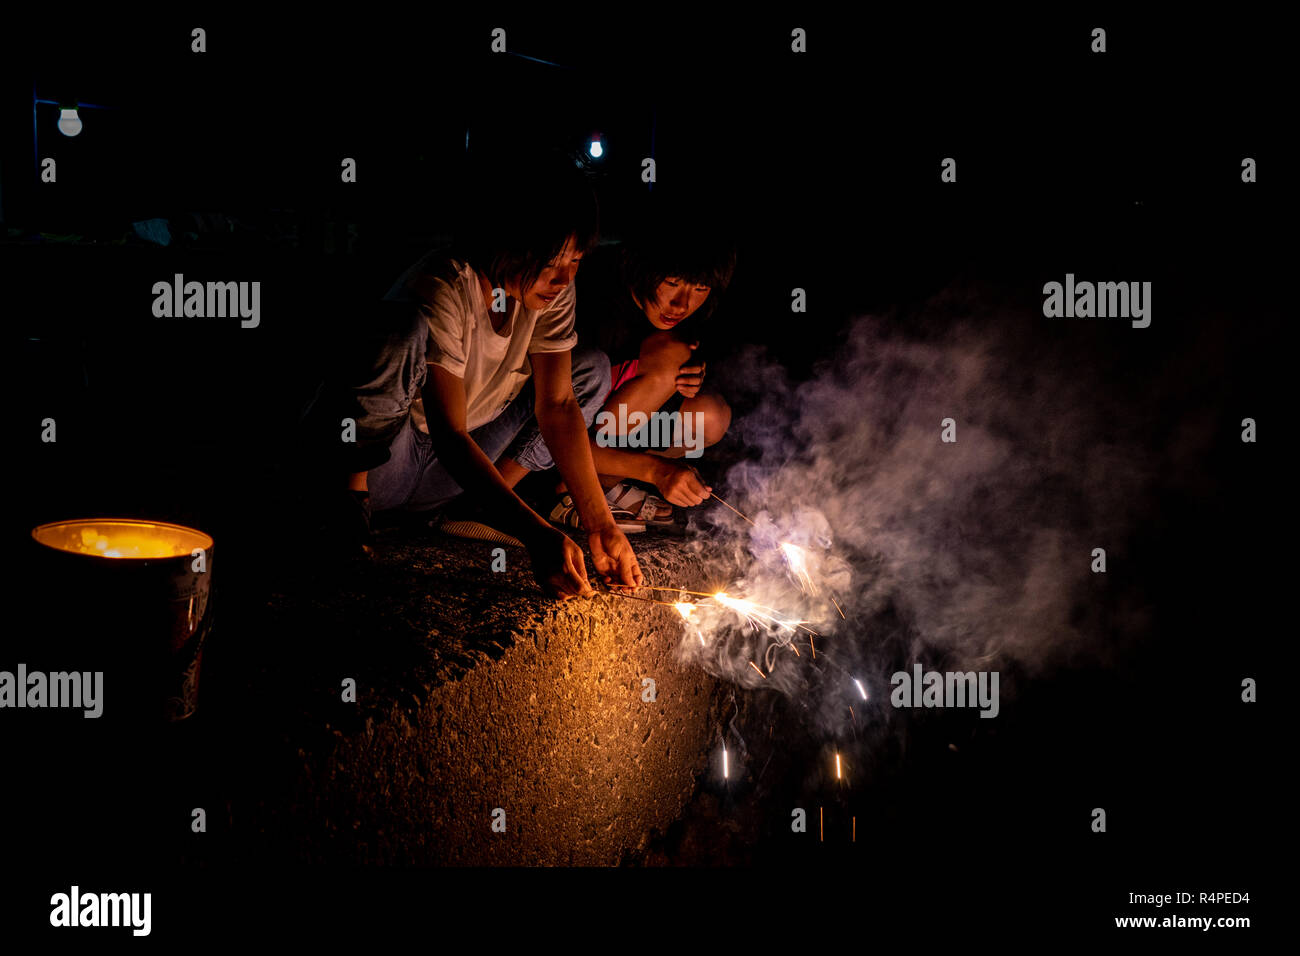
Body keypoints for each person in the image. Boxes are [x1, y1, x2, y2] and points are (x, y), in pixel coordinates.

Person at [323, 154, 642, 598]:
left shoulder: (552, 289)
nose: (564, 278)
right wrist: (535, 535)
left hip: (449, 474)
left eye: (576, 260)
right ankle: (345, 505)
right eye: (552, 260)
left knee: (589, 369)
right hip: (388, 466)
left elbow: (557, 404)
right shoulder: (446, 285)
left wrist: (601, 525)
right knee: (401, 330)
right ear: (510, 242)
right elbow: (448, 434)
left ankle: (487, 503)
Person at [553, 195, 736, 529]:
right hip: (559, 435)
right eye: (672, 283)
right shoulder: (592, 295)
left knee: (711, 416)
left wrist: (694, 374)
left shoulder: (697, 314)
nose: (682, 303)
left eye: (699, 288)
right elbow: (553, 418)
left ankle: (604, 482)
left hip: (615, 431)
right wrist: (658, 471)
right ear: (640, 265)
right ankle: (574, 488)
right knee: (670, 360)